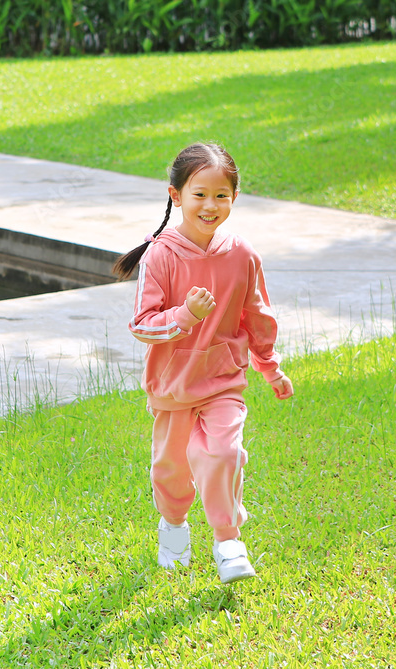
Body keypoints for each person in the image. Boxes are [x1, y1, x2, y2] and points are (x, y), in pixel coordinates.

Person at [113, 142, 294, 584]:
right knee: (172, 470)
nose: (210, 205)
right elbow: (141, 324)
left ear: (234, 198)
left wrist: (269, 366)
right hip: (172, 385)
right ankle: (173, 526)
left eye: (221, 195)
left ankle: (229, 541)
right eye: (199, 194)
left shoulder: (243, 255)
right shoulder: (161, 255)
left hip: (223, 380)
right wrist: (185, 315)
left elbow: (257, 317)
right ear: (176, 196)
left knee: (222, 451)